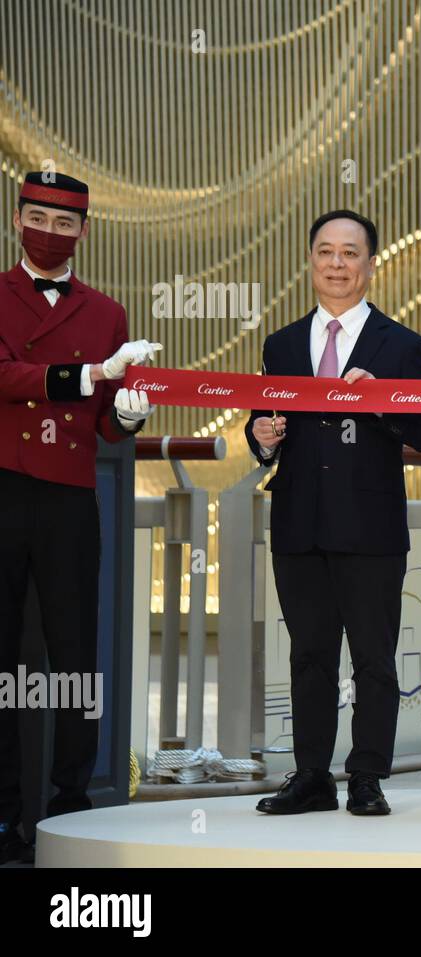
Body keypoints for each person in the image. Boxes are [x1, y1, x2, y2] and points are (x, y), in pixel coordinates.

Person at [245, 209, 421, 817]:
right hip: (298, 524)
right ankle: (310, 776)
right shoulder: (280, 344)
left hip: (371, 526)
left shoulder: (403, 346)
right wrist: (263, 436)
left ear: (371, 264)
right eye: (326, 252)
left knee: (373, 657)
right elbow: (259, 431)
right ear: (311, 261)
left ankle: (367, 776)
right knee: (308, 655)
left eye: (350, 253)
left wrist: (381, 401)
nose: (337, 264)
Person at [0, 172, 161, 864]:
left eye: (65, 223)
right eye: (39, 218)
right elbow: (6, 376)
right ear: (18, 219)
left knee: (77, 655)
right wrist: (86, 377)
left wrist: (127, 413)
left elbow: (107, 422)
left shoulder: (107, 313)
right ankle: (6, 813)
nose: (50, 232)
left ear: (85, 232)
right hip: (4, 488)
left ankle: (71, 802)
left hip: (69, 494)